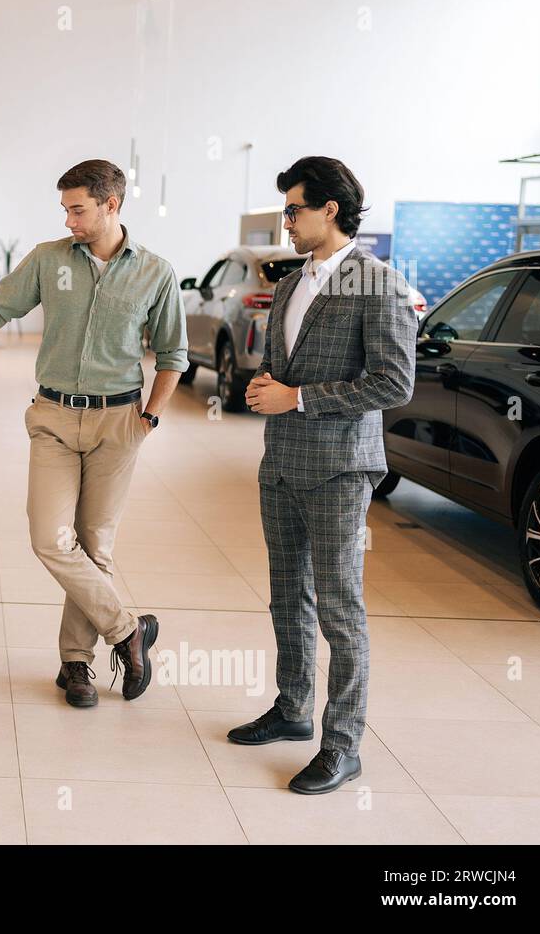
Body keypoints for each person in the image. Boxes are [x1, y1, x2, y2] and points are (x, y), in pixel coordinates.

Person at [0, 159, 189, 708]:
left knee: (96, 546)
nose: (68, 221)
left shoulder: (155, 272)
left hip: (119, 420)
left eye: (78, 209)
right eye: (65, 209)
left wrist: (149, 418)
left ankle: (76, 665)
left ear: (112, 206)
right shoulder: (48, 260)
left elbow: (173, 353)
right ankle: (128, 631)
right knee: (50, 538)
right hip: (55, 419)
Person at [232, 156, 417, 794]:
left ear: (329, 210)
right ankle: (292, 709)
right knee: (289, 595)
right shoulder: (290, 283)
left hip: (340, 467)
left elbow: (393, 382)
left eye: (293, 209)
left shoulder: (379, 284)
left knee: (339, 606)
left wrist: (300, 398)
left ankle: (343, 744)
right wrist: (266, 387)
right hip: (281, 461)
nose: (285, 220)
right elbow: (283, 366)